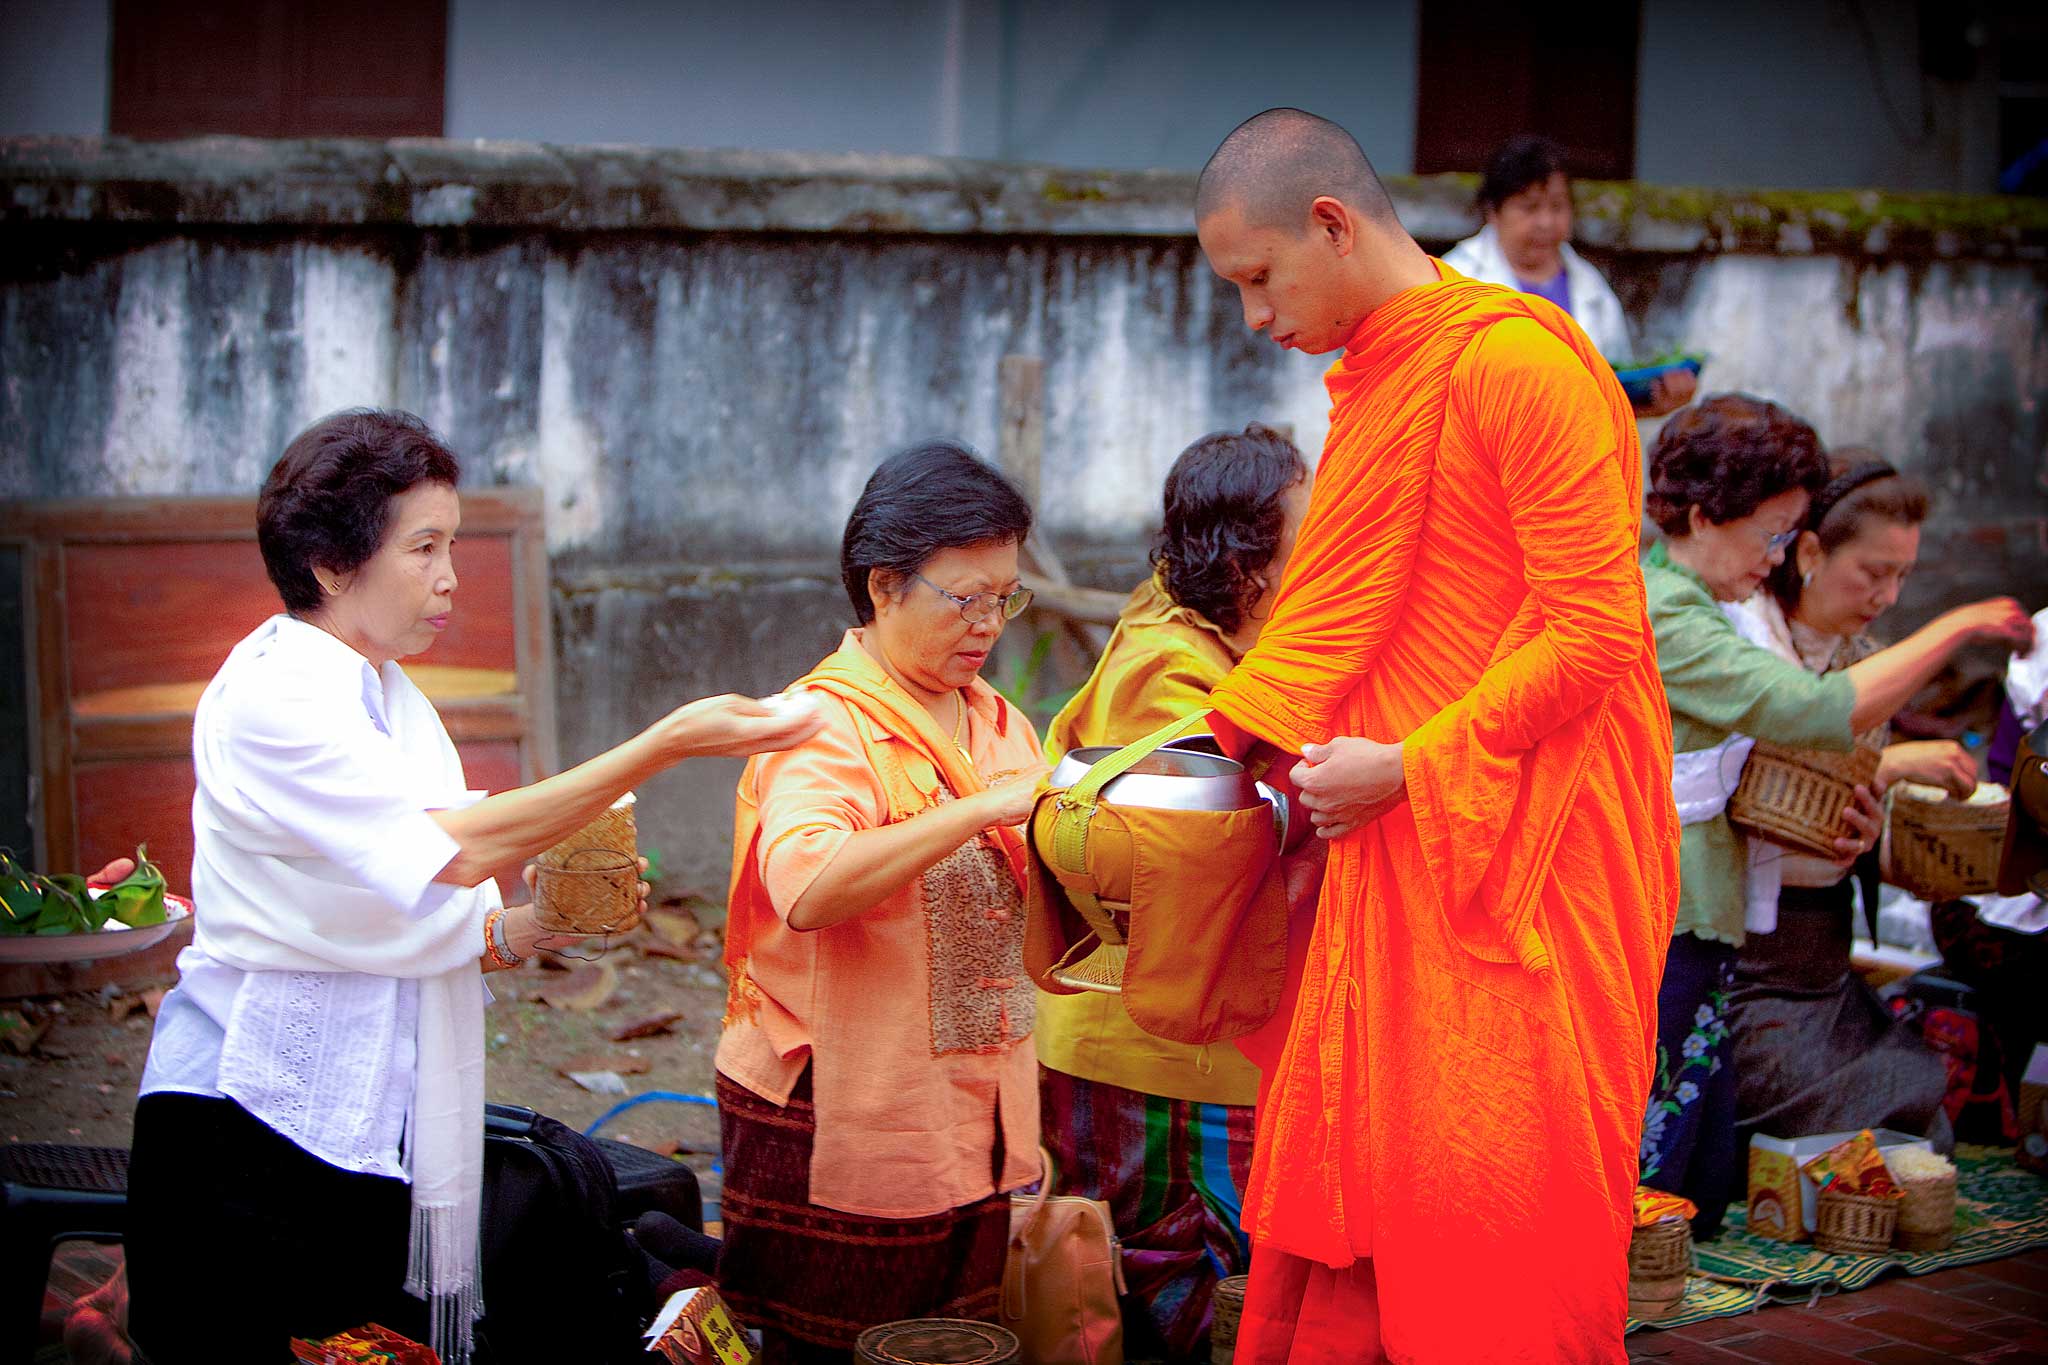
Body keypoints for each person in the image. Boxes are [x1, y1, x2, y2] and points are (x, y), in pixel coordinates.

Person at [122, 409, 821, 1365]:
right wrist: (667, 743)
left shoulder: (381, 693)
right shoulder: (278, 694)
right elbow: (446, 853)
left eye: (451, 543)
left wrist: (544, 923)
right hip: (251, 1118)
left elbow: (406, 915)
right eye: (424, 547)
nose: (451, 574)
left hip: (362, 1116)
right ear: (332, 565)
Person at [1191, 107, 1679, 1363]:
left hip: (1521, 867)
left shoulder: (1514, 365)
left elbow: (1595, 632)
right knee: (1382, 1177)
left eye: (1258, 278)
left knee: (1488, 1198)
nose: (1254, 316)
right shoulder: (1382, 381)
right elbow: (1347, 623)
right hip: (1400, 853)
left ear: (1331, 223)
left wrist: (1410, 765)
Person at [1638, 397, 2028, 1237]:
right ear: (1704, 517)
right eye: (1771, 535)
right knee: (1660, 1149)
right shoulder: (1673, 613)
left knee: (1696, 1166)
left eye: (1785, 536)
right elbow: (1811, 711)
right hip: (1677, 908)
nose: (1775, 555)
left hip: (1716, 916)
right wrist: (1959, 627)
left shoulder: (1697, 608)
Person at [716, 442, 1048, 1362]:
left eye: (1004, 597)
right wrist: (983, 807)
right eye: (963, 597)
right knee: (836, 1341)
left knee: (956, 1335)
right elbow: (809, 885)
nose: (988, 624)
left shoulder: (995, 718)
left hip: (971, 1098)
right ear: (884, 588)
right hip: (842, 1104)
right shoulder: (822, 723)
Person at [1036, 423, 1310, 1361]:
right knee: (1169, 1279)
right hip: (1145, 1042)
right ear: (1248, 567)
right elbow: (1215, 835)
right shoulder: (1168, 665)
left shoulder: (1228, 633)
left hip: (1200, 1026)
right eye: (1303, 540)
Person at [1726, 454, 2034, 1150]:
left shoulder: (1862, 654)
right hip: (1744, 966)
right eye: (1873, 572)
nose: (1889, 595)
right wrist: (1891, 764)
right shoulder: (1744, 643)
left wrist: (1870, 830)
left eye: (1903, 576)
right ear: (1808, 551)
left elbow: (1844, 821)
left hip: (1822, 967)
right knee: (1848, 1115)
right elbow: (1779, 762)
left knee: (1920, 1114)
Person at [1443, 134, 1697, 418]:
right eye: (1530, 207)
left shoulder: (1591, 288)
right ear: (1493, 212)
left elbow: (1613, 392)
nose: (1546, 222)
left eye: (1557, 206)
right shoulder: (1455, 279)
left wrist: (1654, 404)